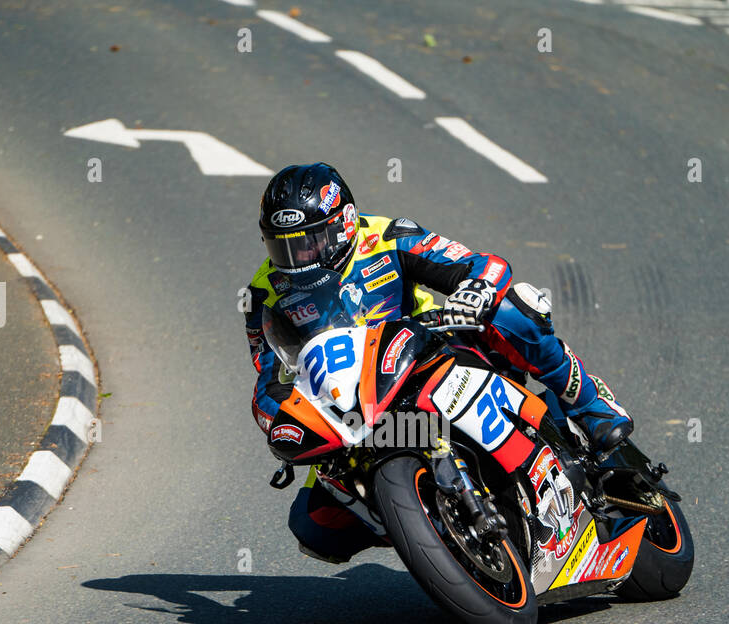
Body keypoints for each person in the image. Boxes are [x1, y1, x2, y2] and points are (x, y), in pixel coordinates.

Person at [242, 163, 632, 563]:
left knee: (515, 311)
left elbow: (483, 265)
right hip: (352, 409)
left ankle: (591, 405)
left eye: (308, 242)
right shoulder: (264, 291)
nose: (297, 258)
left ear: (344, 224)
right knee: (314, 526)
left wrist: (475, 291)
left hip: (431, 352)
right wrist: (278, 419)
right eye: (283, 246)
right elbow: (269, 377)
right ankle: (431, 528)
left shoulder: (387, 237)